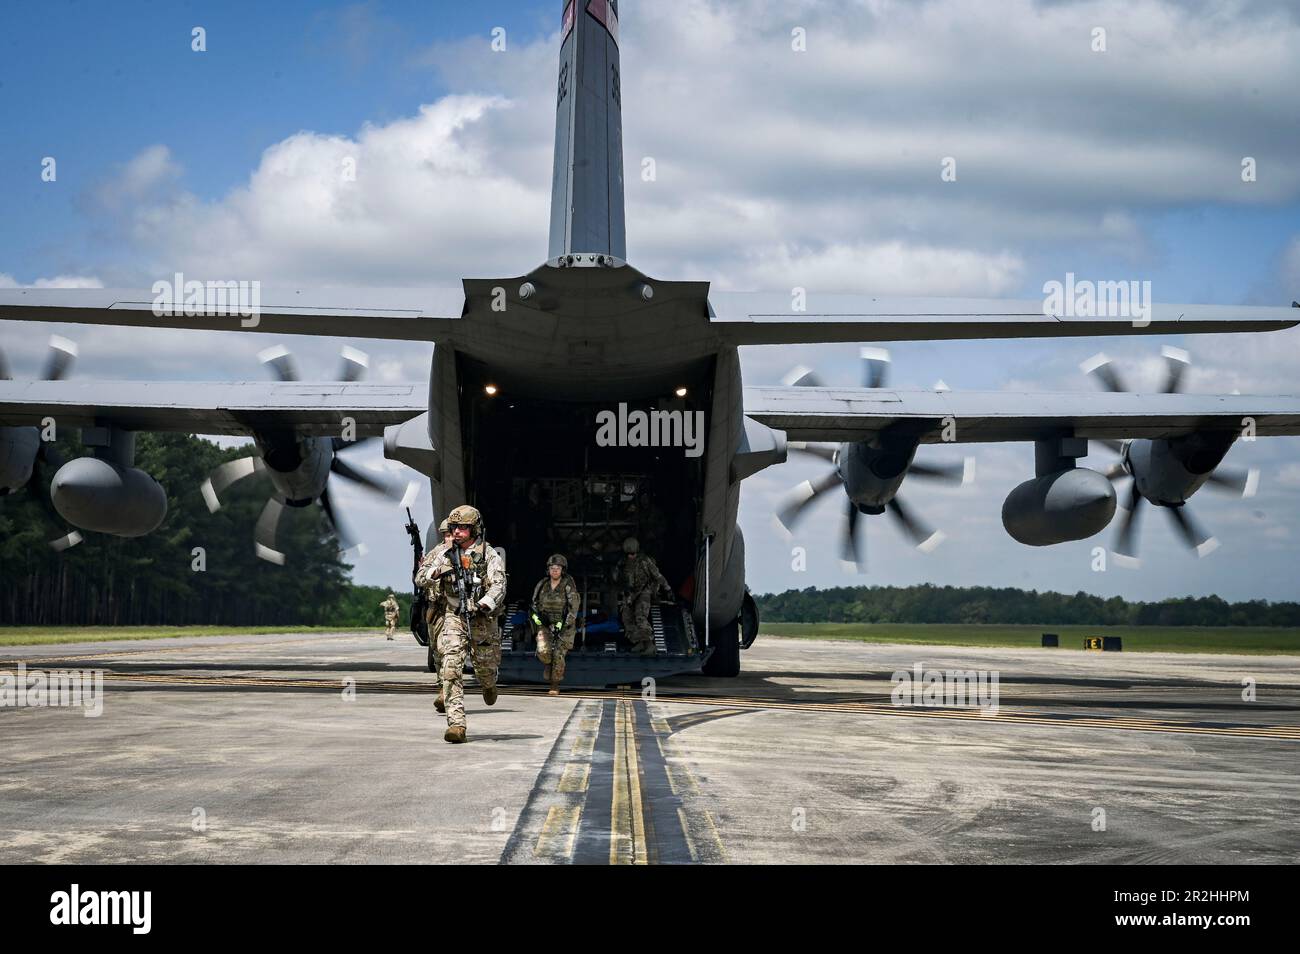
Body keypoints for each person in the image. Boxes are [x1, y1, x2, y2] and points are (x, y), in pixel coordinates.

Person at [415, 505, 506, 744]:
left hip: (481, 618)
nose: (457, 532)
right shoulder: (442, 552)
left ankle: (489, 684)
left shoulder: (488, 554)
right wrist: (436, 572)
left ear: (474, 529)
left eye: (463, 528)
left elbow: (499, 585)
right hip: (453, 616)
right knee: (451, 666)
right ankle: (457, 724)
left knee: (484, 667)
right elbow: (420, 576)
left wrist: (484, 603)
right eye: (454, 527)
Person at [531, 554, 579, 695]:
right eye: (552, 568)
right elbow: (533, 605)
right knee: (543, 651)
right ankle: (548, 663)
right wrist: (538, 620)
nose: (555, 571)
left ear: (562, 570)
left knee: (558, 654)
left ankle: (555, 684)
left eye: (558, 568)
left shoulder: (568, 585)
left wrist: (563, 624)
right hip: (546, 624)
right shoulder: (542, 585)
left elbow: (573, 608)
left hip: (564, 627)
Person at [420, 518, 454, 712]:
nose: (450, 538)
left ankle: (447, 694)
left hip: (454, 610)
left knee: (449, 652)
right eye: (446, 535)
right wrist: (433, 573)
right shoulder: (435, 554)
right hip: (436, 610)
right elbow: (420, 578)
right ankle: (442, 689)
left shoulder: (468, 554)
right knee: (438, 653)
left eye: (452, 534)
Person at [617, 537, 672, 655]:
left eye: (632, 553)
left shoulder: (645, 561)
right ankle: (639, 641)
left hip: (644, 592)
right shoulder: (623, 563)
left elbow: (658, 576)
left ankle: (649, 644)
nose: (630, 556)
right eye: (628, 554)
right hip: (631, 594)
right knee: (626, 618)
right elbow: (619, 578)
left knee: (640, 617)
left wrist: (668, 589)